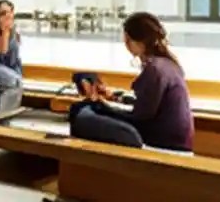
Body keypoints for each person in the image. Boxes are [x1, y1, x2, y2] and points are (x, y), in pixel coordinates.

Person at [69, 12, 194, 152]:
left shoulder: (155, 69)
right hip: (174, 141)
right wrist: (114, 97)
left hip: (162, 143)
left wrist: (102, 106)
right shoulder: (169, 64)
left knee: (83, 111)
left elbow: (141, 116)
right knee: (92, 110)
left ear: (130, 40)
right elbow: (147, 103)